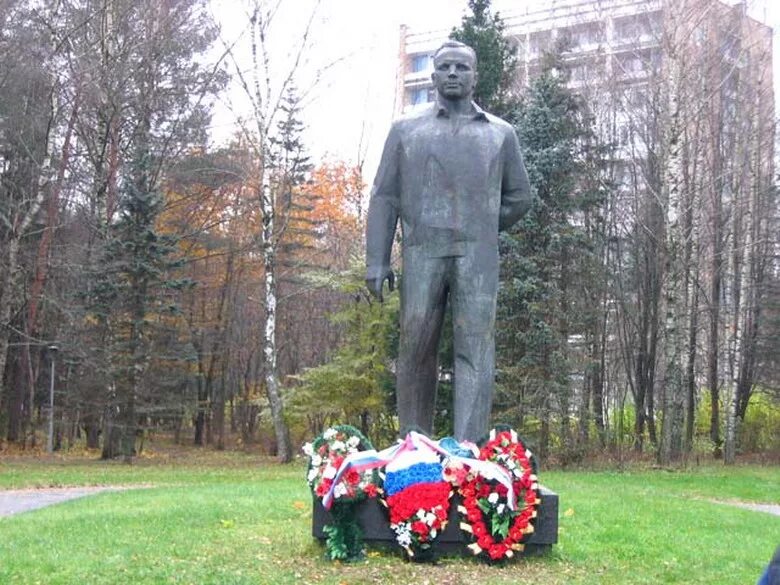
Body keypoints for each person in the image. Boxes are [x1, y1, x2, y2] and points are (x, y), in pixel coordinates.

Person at [365, 39, 532, 442]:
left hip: (477, 257)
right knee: (416, 345)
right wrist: (377, 260)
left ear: (475, 76)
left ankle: (469, 452)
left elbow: (520, 197)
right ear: (433, 75)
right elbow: (384, 195)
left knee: (475, 350)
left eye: (462, 67)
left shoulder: (500, 134)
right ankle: (414, 447)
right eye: (445, 68)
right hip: (422, 252)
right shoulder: (407, 131)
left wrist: (482, 227)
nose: (453, 74)